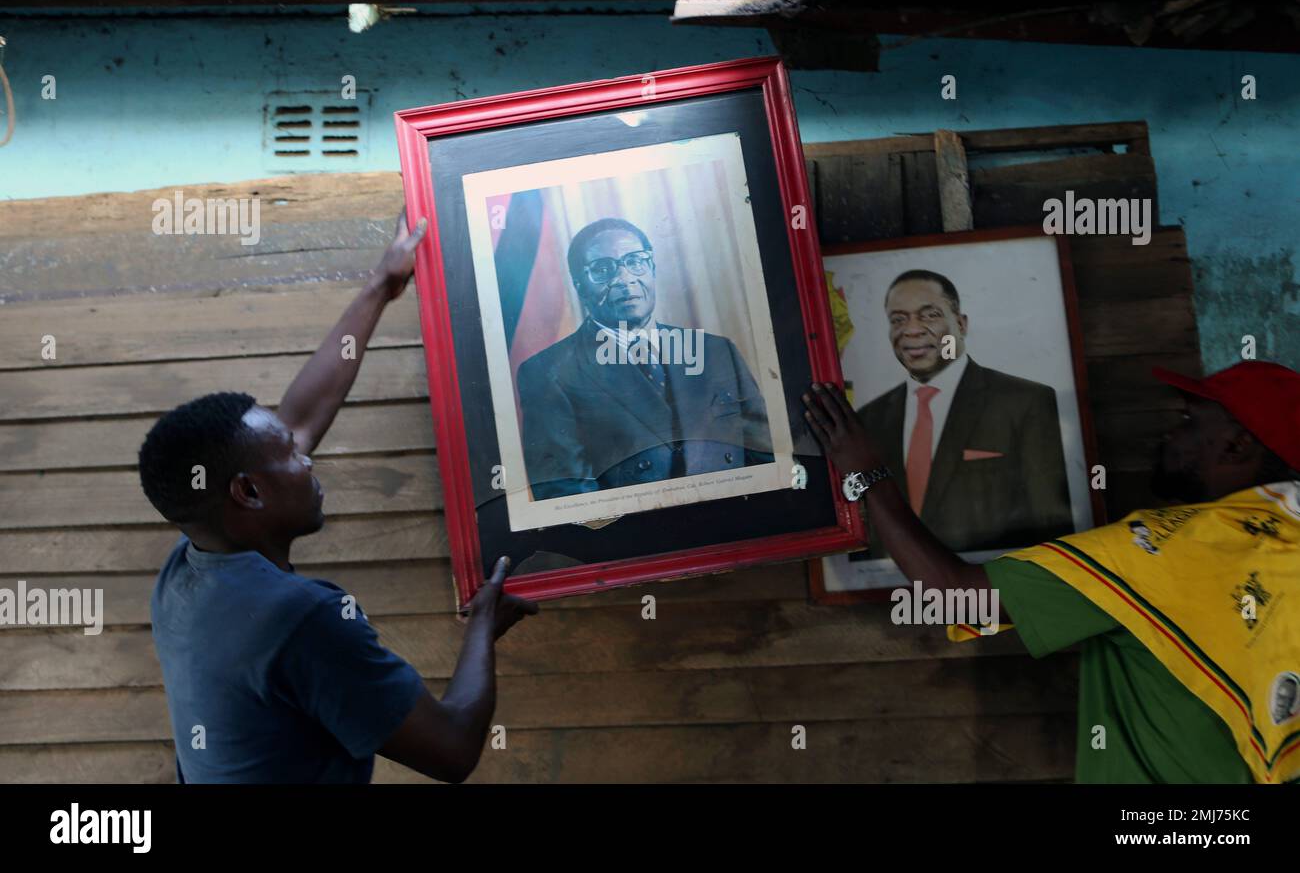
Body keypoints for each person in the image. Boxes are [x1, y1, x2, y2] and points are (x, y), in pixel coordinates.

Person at [140, 212, 537, 784]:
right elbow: (452, 750)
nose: (307, 456)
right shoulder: (300, 619)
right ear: (248, 492)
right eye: (292, 455)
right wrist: (481, 626)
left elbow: (299, 418)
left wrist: (382, 285)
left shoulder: (187, 565)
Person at [804, 360, 1300, 783]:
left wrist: (866, 471)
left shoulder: (1176, 544)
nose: (1171, 433)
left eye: (1191, 422)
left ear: (1237, 448)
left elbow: (957, 595)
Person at [516, 217, 773, 500]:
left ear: (651, 269)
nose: (624, 279)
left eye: (635, 261)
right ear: (579, 286)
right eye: (603, 269)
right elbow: (568, 497)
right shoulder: (548, 373)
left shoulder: (716, 351)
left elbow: (766, 460)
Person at [855, 269, 1072, 554]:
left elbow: (1050, 524)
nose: (912, 330)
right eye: (898, 319)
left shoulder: (1024, 402)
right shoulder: (869, 419)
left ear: (961, 324)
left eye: (929, 314)